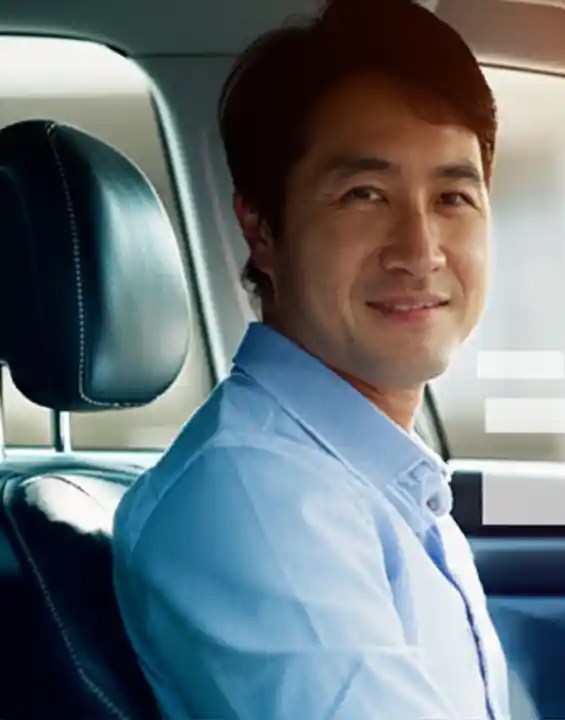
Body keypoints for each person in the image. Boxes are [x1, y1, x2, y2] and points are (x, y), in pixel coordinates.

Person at [111, 0, 509, 717]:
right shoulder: (256, 495)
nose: (420, 251)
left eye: (452, 197)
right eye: (365, 194)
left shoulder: (370, 476)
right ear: (261, 227)